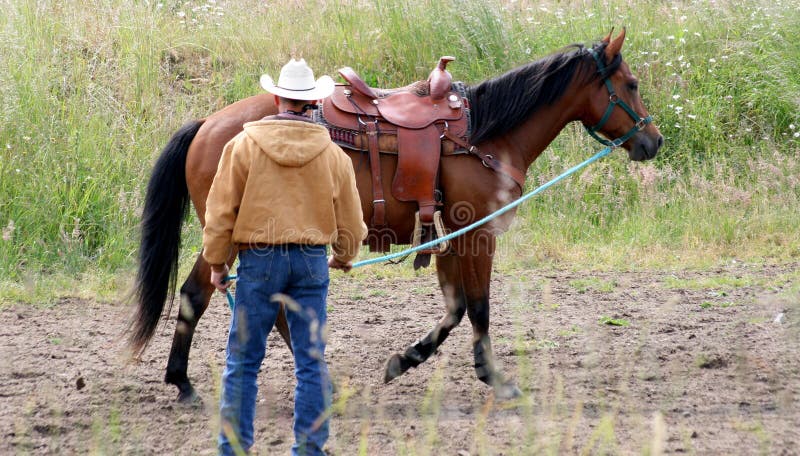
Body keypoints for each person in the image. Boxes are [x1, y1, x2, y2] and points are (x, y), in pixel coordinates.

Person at [202, 57, 367, 456]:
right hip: (311, 262)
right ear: (312, 103)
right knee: (311, 361)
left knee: (243, 361)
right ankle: (309, 449)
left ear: (277, 97)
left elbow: (221, 212)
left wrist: (218, 262)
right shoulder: (333, 155)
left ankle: (234, 449)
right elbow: (351, 219)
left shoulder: (241, 146)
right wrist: (344, 255)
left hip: (257, 262)